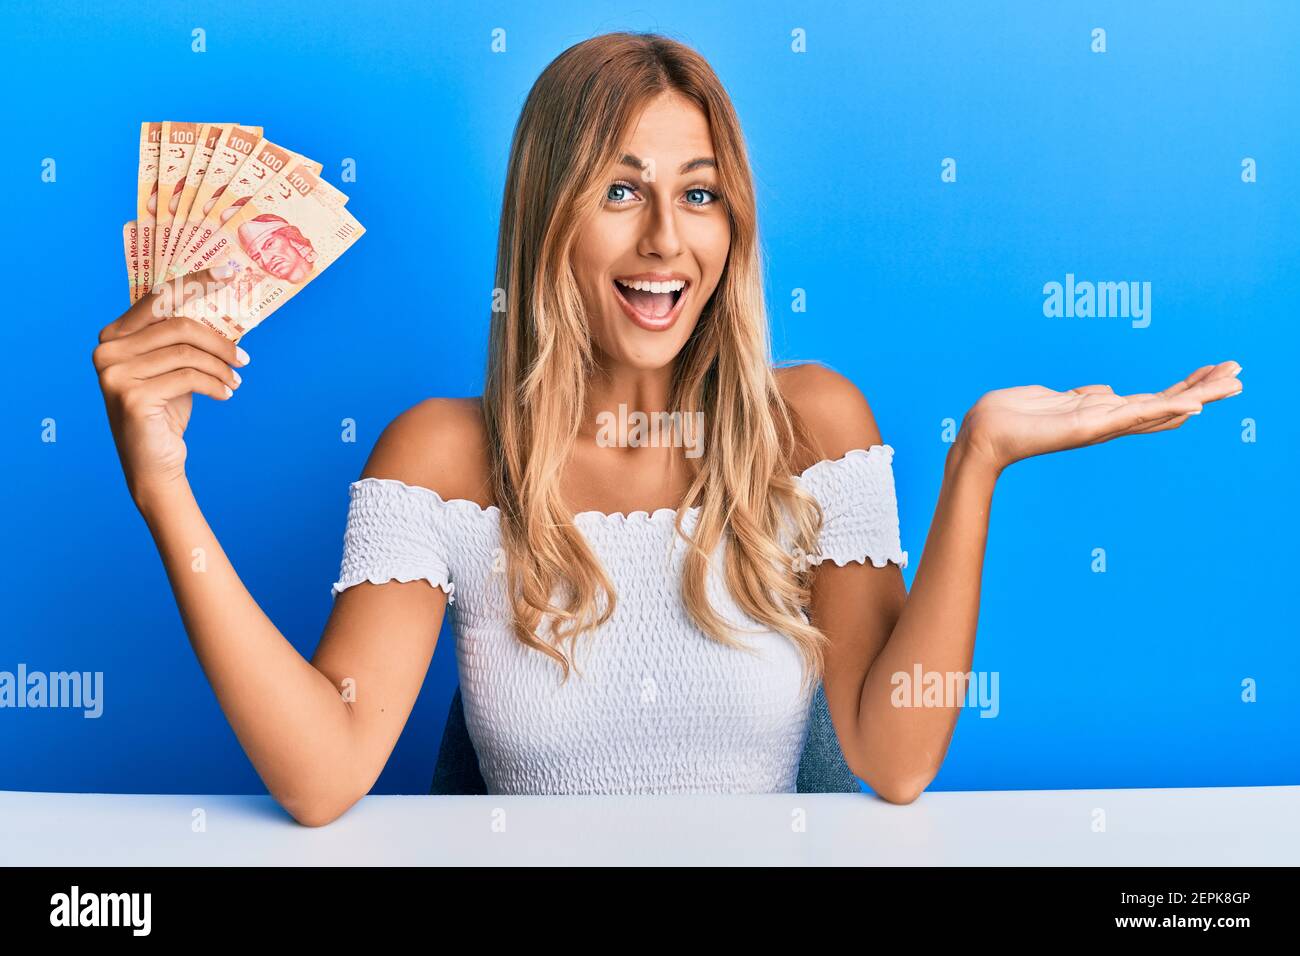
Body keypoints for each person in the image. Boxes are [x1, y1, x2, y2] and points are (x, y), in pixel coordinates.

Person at [91, 33, 1243, 826]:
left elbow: (895, 759)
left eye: (697, 193)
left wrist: (976, 463)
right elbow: (323, 773)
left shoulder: (812, 423)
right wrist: (163, 487)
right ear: (548, 218)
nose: (664, 241)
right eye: (617, 189)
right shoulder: (441, 455)